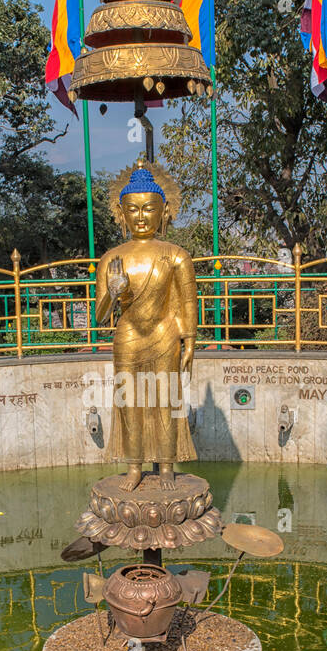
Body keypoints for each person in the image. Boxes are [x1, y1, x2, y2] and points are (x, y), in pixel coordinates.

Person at [95, 160, 197, 491]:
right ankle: (134, 467)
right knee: (130, 405)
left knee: (165, 401)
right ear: (121, 214)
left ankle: (166, 466)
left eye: (149, 209)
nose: (141, 217)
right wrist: (113, 292)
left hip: (165, 335)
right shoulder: (113, 258)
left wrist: (190, 340)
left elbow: (186, 302)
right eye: (133, 210)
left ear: (163, 211)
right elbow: (99, 316)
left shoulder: (176, 254)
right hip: (128, 337)